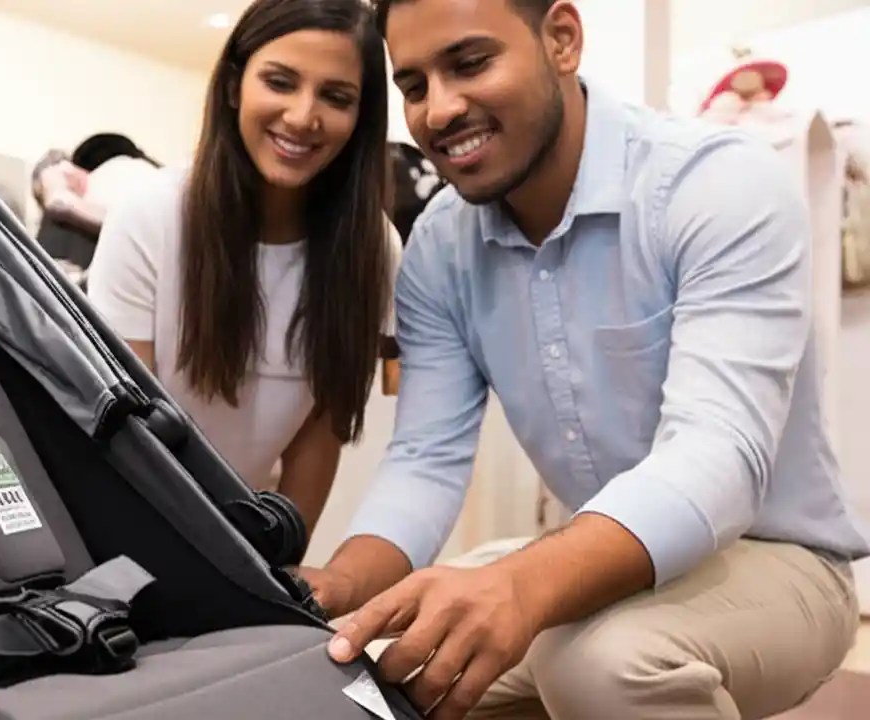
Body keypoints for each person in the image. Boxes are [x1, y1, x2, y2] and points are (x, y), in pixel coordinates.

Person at [301, 1, 870, 719]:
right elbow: (425, 457)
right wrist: (340, 588)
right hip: (598, 556)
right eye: (413, 85)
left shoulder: (717, 186)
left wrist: (523, 585)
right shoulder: (440, 247)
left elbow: (715, 460)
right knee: (365, 669)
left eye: (470, 63)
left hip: (782, 561)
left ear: (562, 40)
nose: (439, 109)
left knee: (601, 662)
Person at [87, 0, 399, 536]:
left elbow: (316, 443)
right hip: (117, 519)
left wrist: (280, 569)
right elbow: (127, 431)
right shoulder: (149, 217)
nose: (303, 116)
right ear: (235, 87)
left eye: (336, 96)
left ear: (360, 117)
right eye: (280, 82)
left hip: (244, 541)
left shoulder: (373, 248)